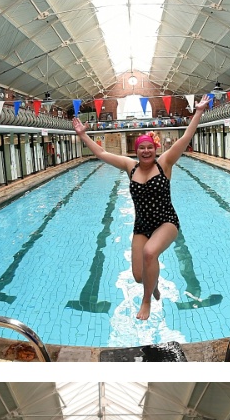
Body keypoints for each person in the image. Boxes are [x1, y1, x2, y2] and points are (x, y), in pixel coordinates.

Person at [72, 96, 209, 320]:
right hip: (142, 226)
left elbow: (186, 137)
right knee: (138, 276)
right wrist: (82, 134)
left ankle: (146, 302)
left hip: (166, 222)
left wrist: (199, 112)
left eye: (149, 148)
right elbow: (101, 154)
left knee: (149, 253)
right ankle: (151, 286)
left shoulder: (165, 163)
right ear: (136, 151)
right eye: (141, 148)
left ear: (155, 149)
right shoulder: (130, 167)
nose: (146, 151)